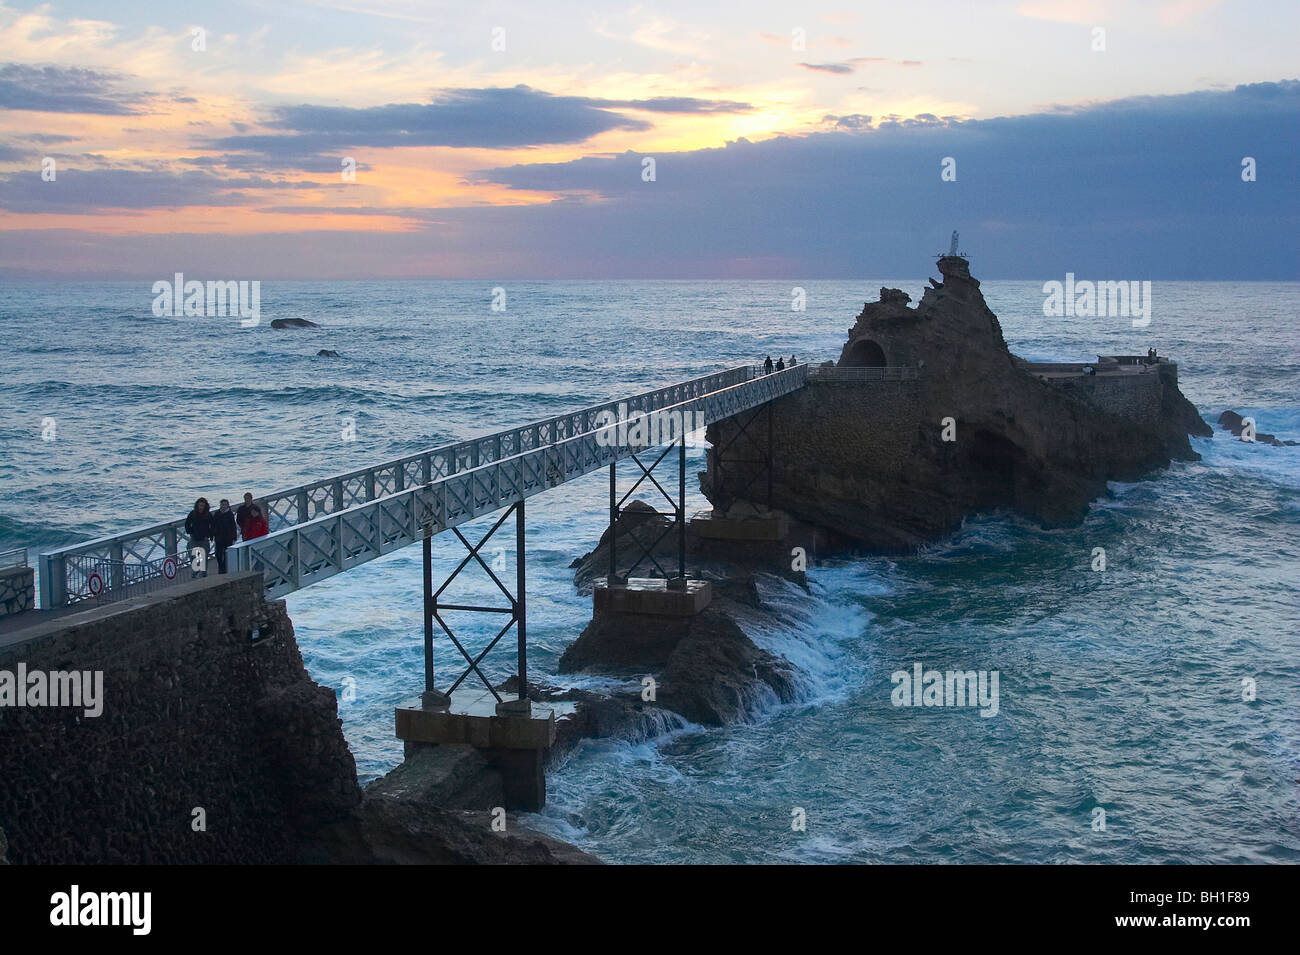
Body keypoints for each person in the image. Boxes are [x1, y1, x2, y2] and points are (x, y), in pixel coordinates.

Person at [184, 497, 214, 575]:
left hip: (204, 538)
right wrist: (190, 532)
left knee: (204, 555)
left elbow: (213, 525)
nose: (201, 507)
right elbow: (187, 524)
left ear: (205, 506)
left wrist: (210, 535)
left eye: (202, 505)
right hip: (194, 538)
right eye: (200, 505)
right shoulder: (192, 514)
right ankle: (195, 571)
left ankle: (204, 573)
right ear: (197, 506)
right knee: (193, 555)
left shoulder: (208, 514)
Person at [212, 499, 239, 574]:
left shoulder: (230, 514)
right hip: (219, 537)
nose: (223, 506)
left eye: (225, 504)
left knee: (227, 553)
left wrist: (234, 537)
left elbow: (233, 526)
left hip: (228, 537)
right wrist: (214, 533)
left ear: (227, 505)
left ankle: (225, 568)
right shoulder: (217, 513)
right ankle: (221, 567)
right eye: (222, 504)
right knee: (218, 554)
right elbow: (213, 525)